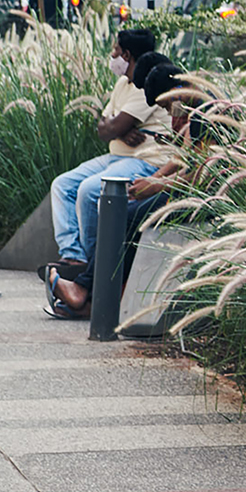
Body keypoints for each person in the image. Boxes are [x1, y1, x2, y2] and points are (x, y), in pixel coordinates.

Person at [47, 62, 204, 317]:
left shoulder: (204, 113)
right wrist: (153, 180)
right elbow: (184, 158)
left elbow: (200, 175)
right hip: (190, 194)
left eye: (166, 105)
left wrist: (156, 185)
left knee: (127, 219)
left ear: (176, 91)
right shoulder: (196, 108)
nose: (170, 111)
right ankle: (94, 295)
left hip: (202, 200)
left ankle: (86, 292)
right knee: (126, 212)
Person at [41, 31, 168, 295]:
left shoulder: (149, 82)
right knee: (63, 185)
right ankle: (73, 257)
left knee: (89, 190)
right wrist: (119, 128)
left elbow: (111, 124)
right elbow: (103, 128)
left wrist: (115, 126)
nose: (111, 55)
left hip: (144, 160)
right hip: (116, 156)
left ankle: (93, 271)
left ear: (126, 54)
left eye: (114, 50)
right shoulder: (123, 83)